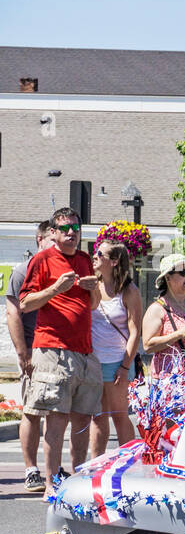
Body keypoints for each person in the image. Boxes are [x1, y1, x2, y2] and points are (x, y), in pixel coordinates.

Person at [18, 208, 102, 497]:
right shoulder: (41, 260)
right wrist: (56, 288)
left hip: (84, 352)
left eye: (76, 228)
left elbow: (92, 305)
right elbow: (26, 303)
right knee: (56, 419)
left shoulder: (84, 260)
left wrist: (93, 289)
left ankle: (77, 481)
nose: (71, 233)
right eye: (64, 228)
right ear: (52, 232)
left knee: (81, 421)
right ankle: (51, 485)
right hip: (53, 349)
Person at [5, 221, 55, 491]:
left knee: (56, 413)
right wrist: (23, 353)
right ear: (39, 240)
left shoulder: (60, 270)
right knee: (32, 411)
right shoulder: (22, 271)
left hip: (57, 351)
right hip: (33, 351)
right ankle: (30, 469)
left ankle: (52, 469)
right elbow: (13, 313)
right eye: (51, 240)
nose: (56, 245)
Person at [88, 242, 143, 458]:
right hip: (93, 361)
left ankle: (128, 463)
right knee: (98, 417)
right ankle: (96, 465)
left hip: (117, 361)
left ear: (113, 262)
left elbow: (135, 331)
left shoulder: (129, 291)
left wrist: (124, 366)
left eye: (99, 254)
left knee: (119, 414)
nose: (94, 256)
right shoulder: (93, 285)